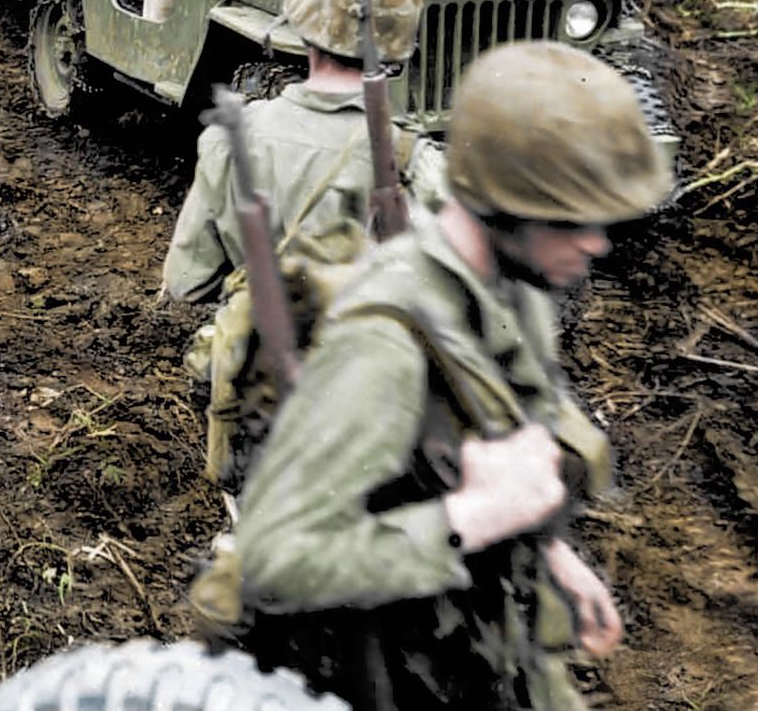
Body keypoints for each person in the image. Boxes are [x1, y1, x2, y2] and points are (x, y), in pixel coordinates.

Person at [198, 41, 671, 710]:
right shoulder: (383, 343)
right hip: (390, 659)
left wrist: (549, 551)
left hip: (478, 632)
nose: (597, 242)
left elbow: (494, 448)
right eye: (573, 219)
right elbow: (275, 557)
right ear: (506, 205)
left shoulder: (517, 296)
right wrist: (472, 516)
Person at [162, 0, 446, 487]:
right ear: (397, 39)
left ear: (301, 21)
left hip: (260, 411)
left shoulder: (232, 141)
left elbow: (185, 284)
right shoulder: (415, 160)